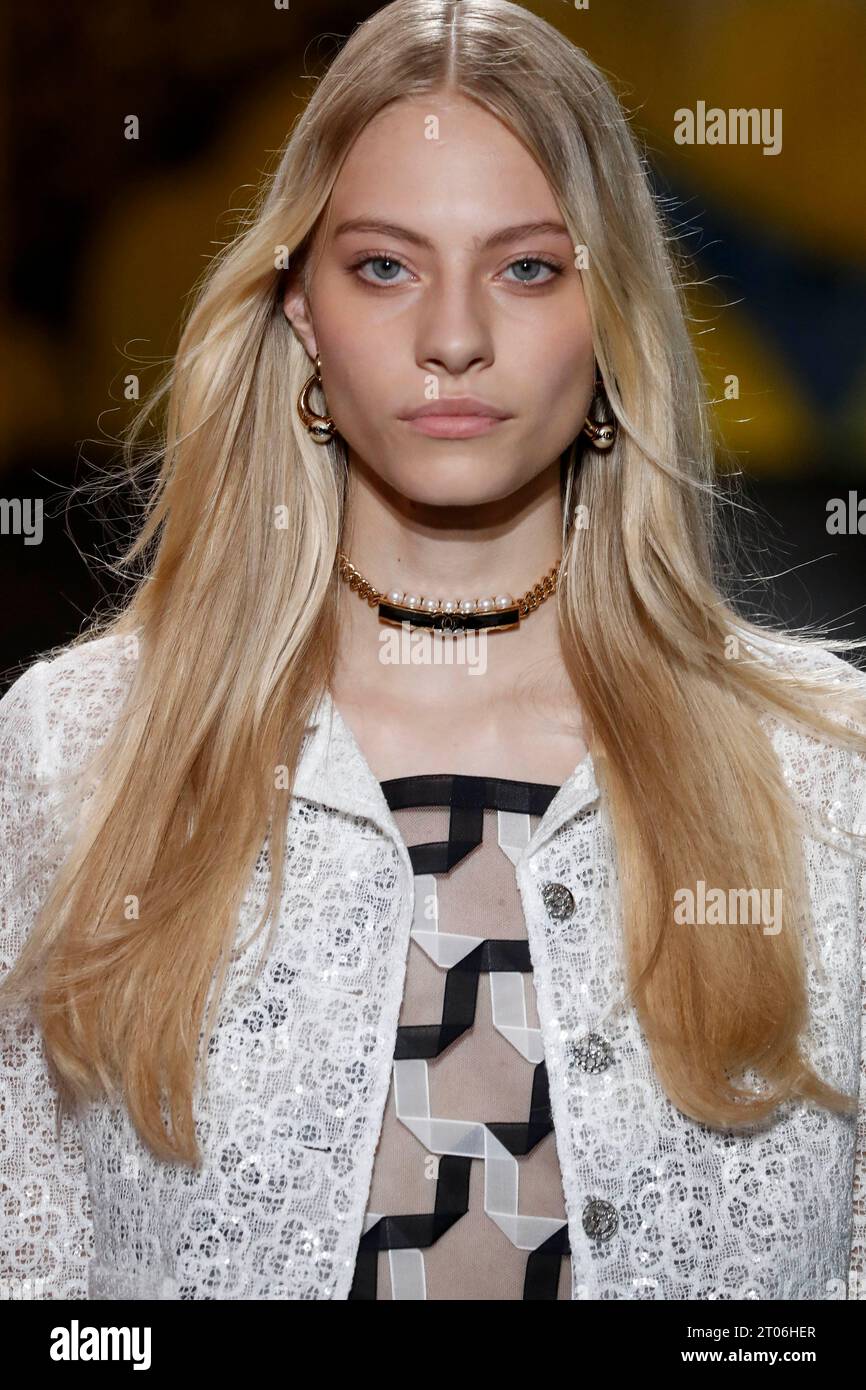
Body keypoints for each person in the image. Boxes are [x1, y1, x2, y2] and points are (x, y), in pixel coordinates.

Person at [1, 0, 865, 1302]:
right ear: (297, 309)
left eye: (525, 266)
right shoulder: (75, 748)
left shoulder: (823, 767)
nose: (452, 335)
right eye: (384, 266)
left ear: (612, 308)